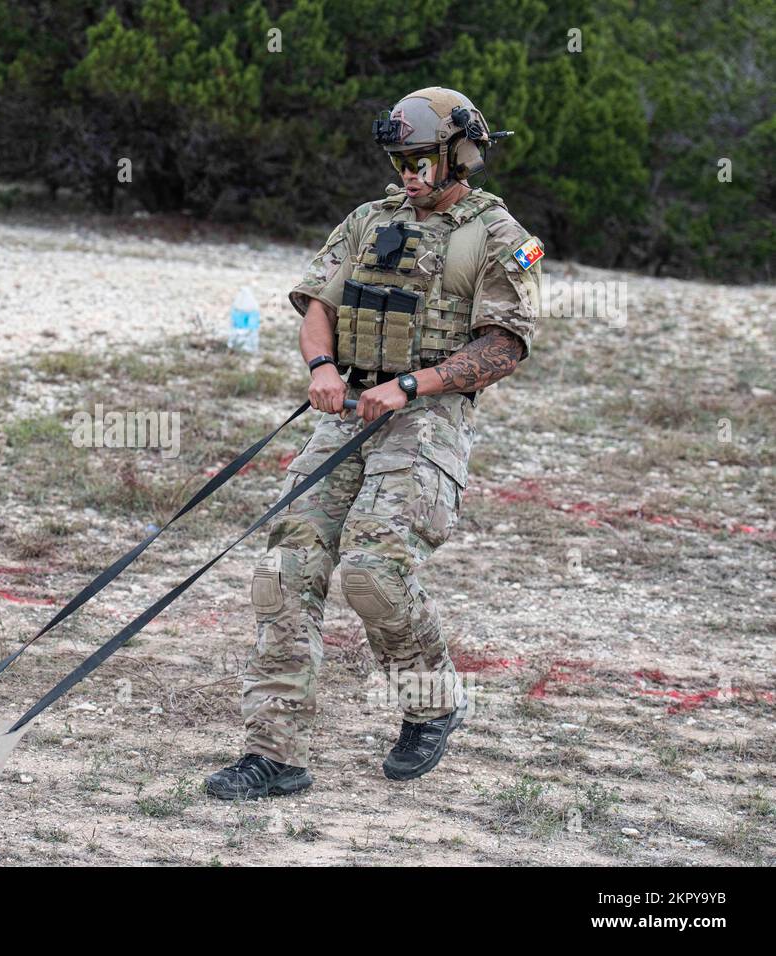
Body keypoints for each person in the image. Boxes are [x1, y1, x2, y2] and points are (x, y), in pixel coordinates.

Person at [207, 87, 544, 799]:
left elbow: (505, 345)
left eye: (421, 159)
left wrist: (415, 385)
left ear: (459, 155)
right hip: (348, 409)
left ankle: (431, 703)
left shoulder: (495, 234)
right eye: (401, 160)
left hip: (427, 419)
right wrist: (322, 367)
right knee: (285, 568)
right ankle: (275, 753)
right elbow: (318, 307)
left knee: (372, 570)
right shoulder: (367, 221)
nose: (409, 174)